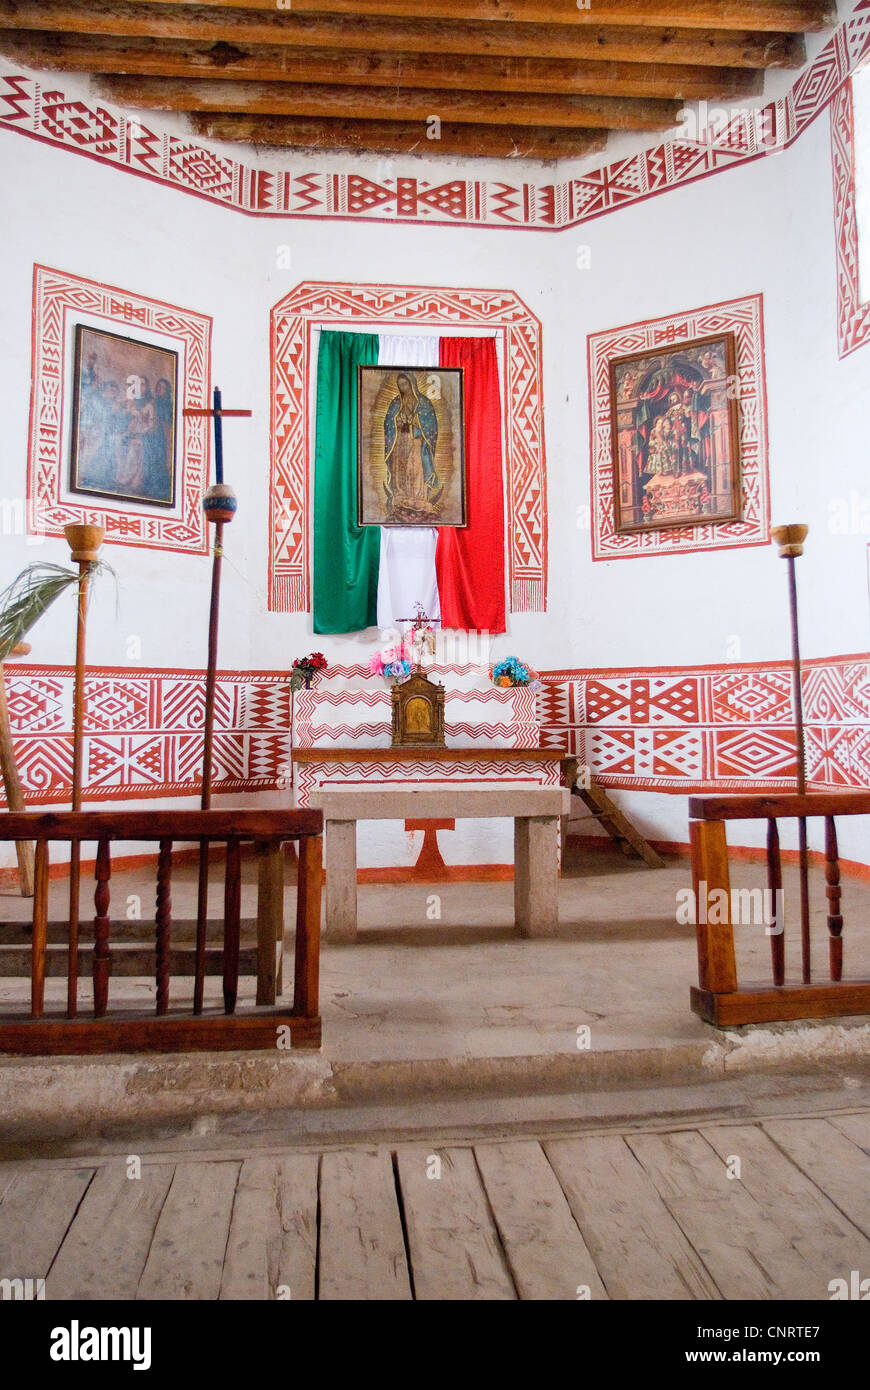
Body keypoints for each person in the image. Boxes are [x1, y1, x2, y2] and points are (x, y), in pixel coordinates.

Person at [382, 372, 441, 522]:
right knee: (400, 469)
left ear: (412, 384)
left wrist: (416, 421)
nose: (403, 388)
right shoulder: (396, 403)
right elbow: (388, 422)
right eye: (400, 385)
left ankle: (418, 499)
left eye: (405, 384)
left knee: (415, 469)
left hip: (416, 441)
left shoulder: (424, 403)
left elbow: (431, 424)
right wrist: (397, 423)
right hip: (400, 441)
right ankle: (401, 497)